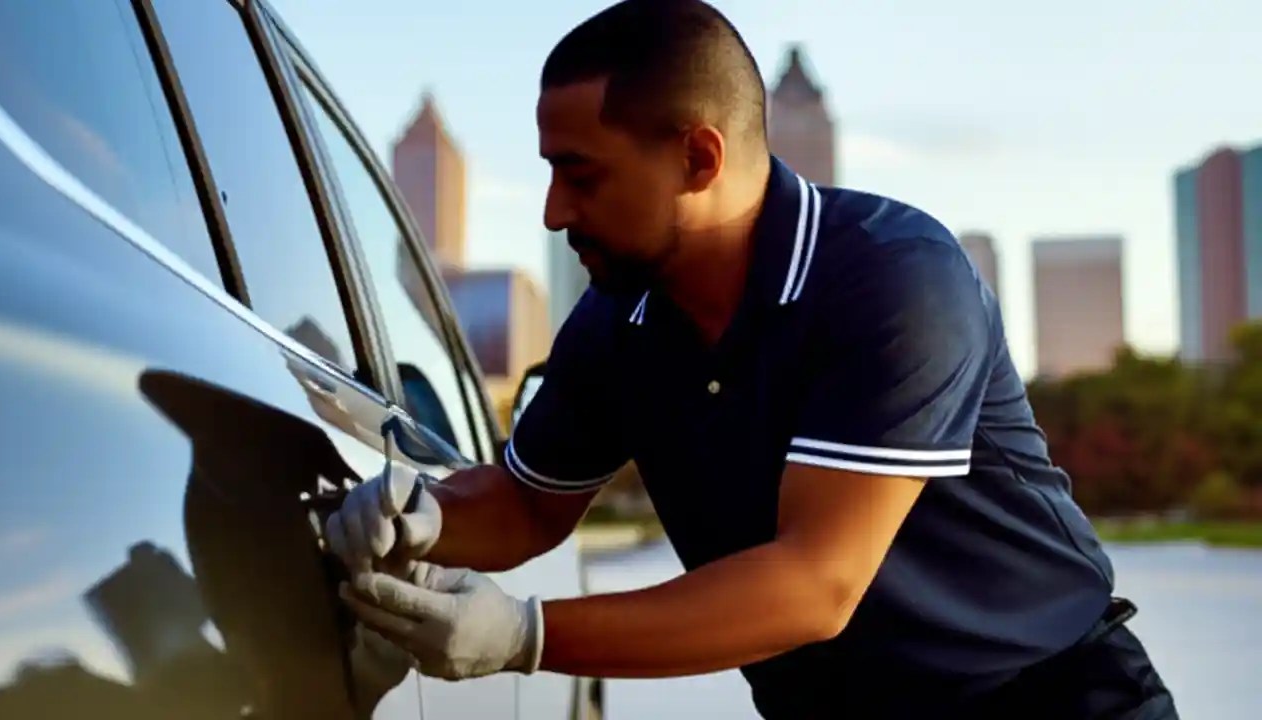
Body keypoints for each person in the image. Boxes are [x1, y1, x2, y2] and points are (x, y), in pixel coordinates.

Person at [327, 0, 1180, 717]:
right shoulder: (618, 317)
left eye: (581, 176)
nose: (553, 212)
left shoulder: (892, 276)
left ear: (699, 157)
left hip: (1049, 699)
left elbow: (817, 584)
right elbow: (523, 506)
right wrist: (424, 514)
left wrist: (527, 635)